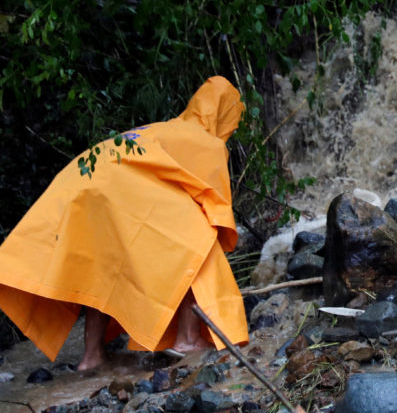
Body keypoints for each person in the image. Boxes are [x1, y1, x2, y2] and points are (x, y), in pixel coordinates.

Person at [0, 76, 250, 370]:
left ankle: (91, 358)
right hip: (114, 190)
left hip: (82, 180)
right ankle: (187, 339)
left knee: (102, 267)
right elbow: (213, 208)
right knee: (197, 244)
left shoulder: (165, 129)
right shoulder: (205, 141)